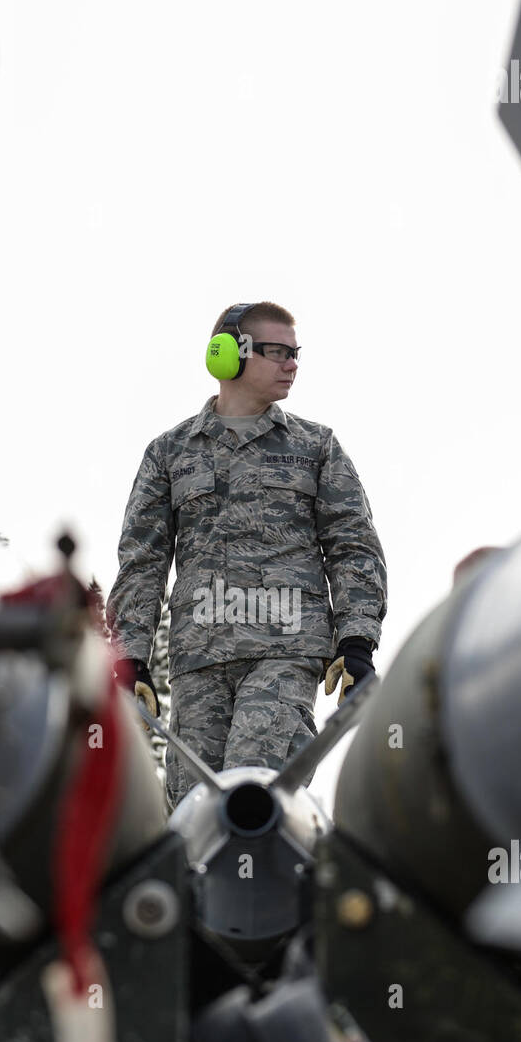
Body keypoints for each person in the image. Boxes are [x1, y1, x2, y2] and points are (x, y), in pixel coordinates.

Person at [106, 301, 388, 811]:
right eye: (278, 352)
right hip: (199, 661)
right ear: (227, 356)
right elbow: (142, 562)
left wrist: (358, 641)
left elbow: (353, 546)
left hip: (285, 650)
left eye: (296, 354)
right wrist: (132, 659)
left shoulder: (316, 447)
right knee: (193, 813)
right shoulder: (169, 452)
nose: (292, 365)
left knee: (251, 795)